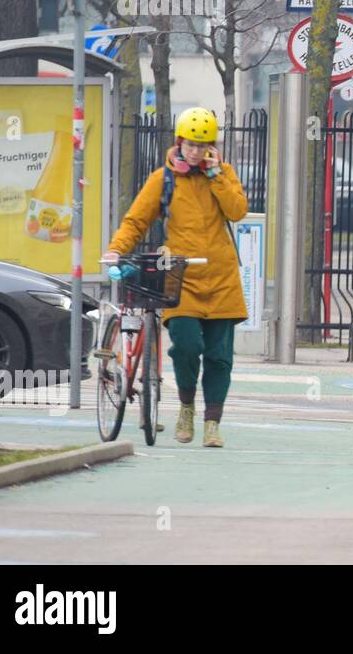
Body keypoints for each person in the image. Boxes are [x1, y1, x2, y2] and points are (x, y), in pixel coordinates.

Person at [105, 108, 248, 448]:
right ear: (180, 142)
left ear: (211, 147)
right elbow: (136, 221)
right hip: (181, 277)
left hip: (222, 277)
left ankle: (213, 423)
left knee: (219, 356)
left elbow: (237, 211)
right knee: (185, 347)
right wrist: (116, 249)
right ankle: (186, 406)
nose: (196, 152)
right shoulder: (164, 179)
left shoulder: (223, 173)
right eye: (191, 145)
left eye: (203, 146)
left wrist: (217, 177)